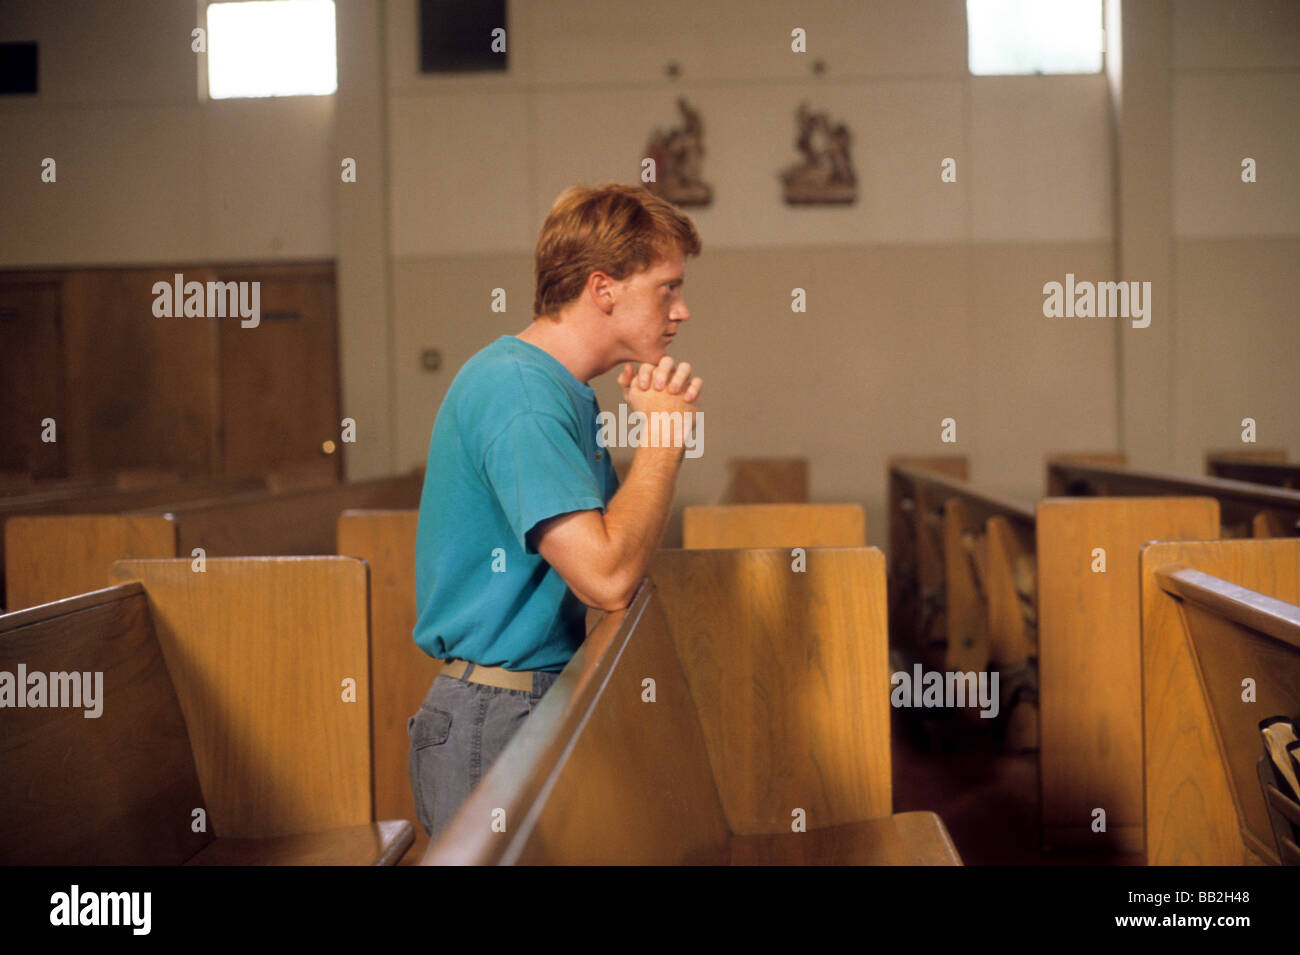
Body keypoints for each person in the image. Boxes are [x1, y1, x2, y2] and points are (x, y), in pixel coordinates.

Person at [408, 183, 704, 841]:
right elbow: (606, 576)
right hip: (495, 714)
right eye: (666, 288)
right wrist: (661, 441)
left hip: (528, 699)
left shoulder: (561, 390)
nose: (681, 310)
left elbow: (611, 554)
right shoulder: (520, 391)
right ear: (603, 289)